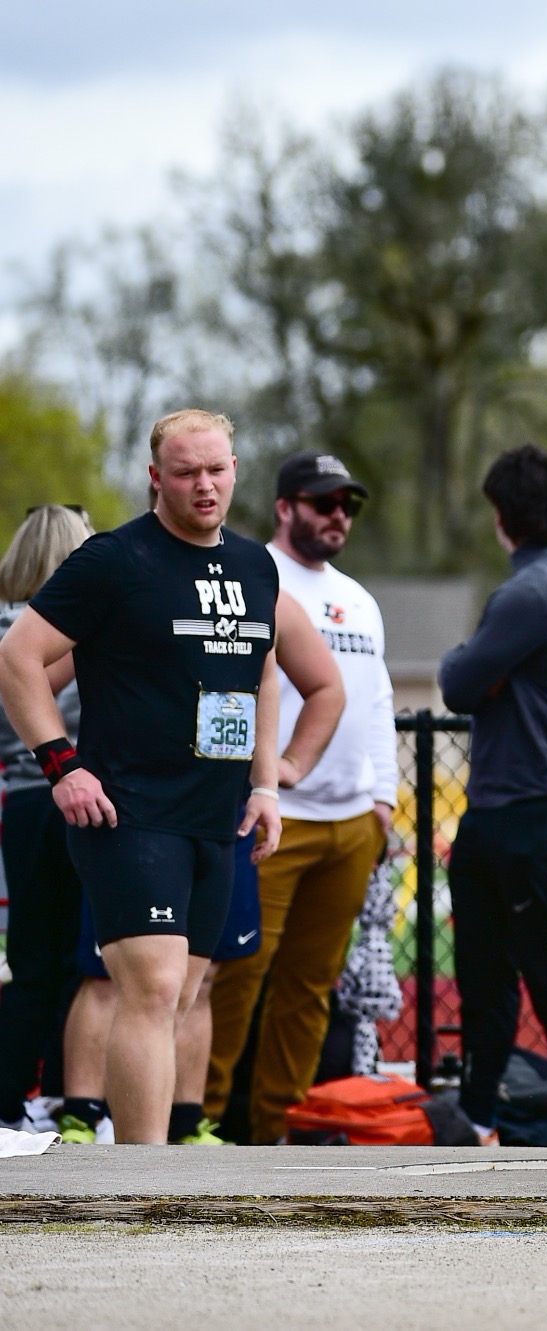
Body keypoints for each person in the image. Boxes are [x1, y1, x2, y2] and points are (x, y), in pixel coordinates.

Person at [0, 409, 289, 1144]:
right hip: (128, 813)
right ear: (156, 477)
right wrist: (60, 763)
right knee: (153, 989)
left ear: (235, 471)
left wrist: (265, 786)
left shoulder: (257, 566)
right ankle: (141, 1174)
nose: (204, 484)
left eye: (216, 469)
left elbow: (261, 675)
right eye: (186, 471)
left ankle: (162, 1168)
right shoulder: (112, 560)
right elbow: (19, 657)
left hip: (215, 817)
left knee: (184, 992)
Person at [204, 451, 396, 1142]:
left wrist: (385, 798)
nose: (338, 515)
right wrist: (272, 773)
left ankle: (274, 1131)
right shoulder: (251, 574)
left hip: (350, 819)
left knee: (311, 990)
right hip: (275, 818)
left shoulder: (358, 598)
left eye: (348, 503)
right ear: (285, 506)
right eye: (323, 502)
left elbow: (376, 700)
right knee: (237, 975)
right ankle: (199, 1118)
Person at [438, 444, 547, 1147]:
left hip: (531, 807)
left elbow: (457, 682)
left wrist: (467, 660)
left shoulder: (531, 589)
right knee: (486, 971)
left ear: (504, 515)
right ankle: (482, 1114)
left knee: (539, 968)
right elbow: (482, 676)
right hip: (511, 806)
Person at [0, 505, 93, 1133]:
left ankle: (12, 1100)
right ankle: (63, 1094)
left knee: (31, 960)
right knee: (80, 963)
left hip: (23, 800)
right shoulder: (79, 627)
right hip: (78, 793)